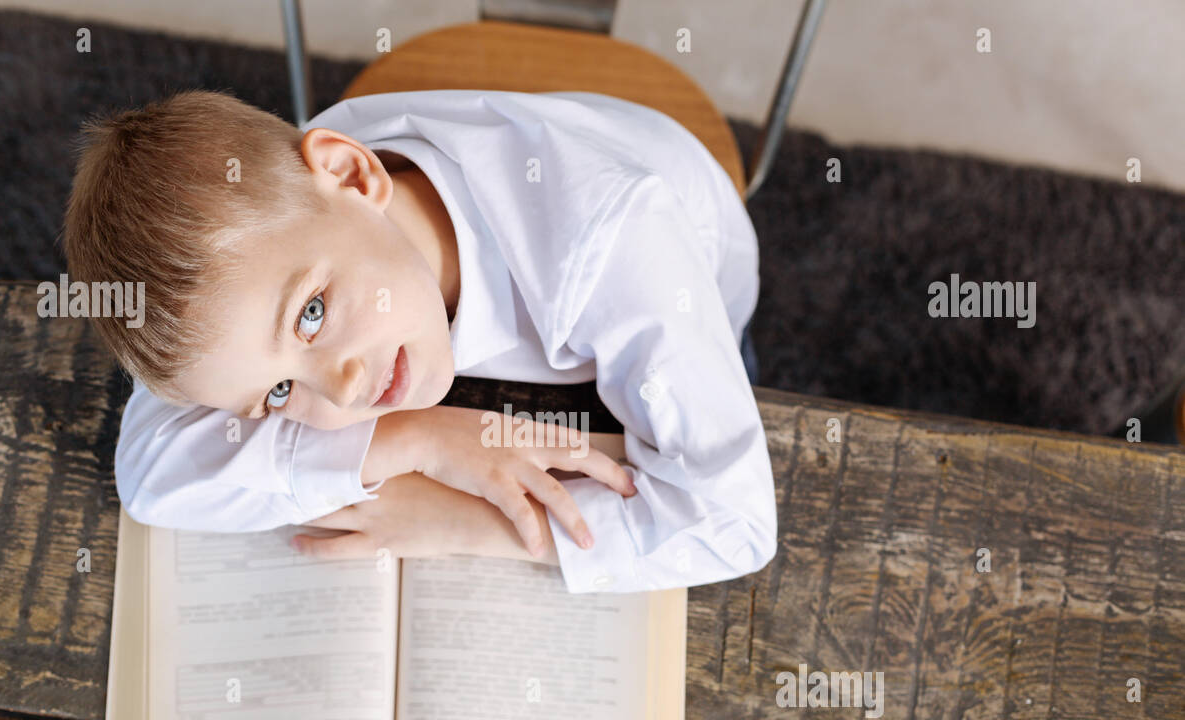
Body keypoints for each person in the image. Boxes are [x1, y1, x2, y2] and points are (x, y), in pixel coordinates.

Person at [63, 89, 776, 593]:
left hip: (694, 284)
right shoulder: (279, 242)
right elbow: (152, 473)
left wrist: (459, 521)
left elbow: (734, 522)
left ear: (351, 171)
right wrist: (418, 441)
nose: (341, 390)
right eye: (279, 392)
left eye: (311, 315)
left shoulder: (612, 243)